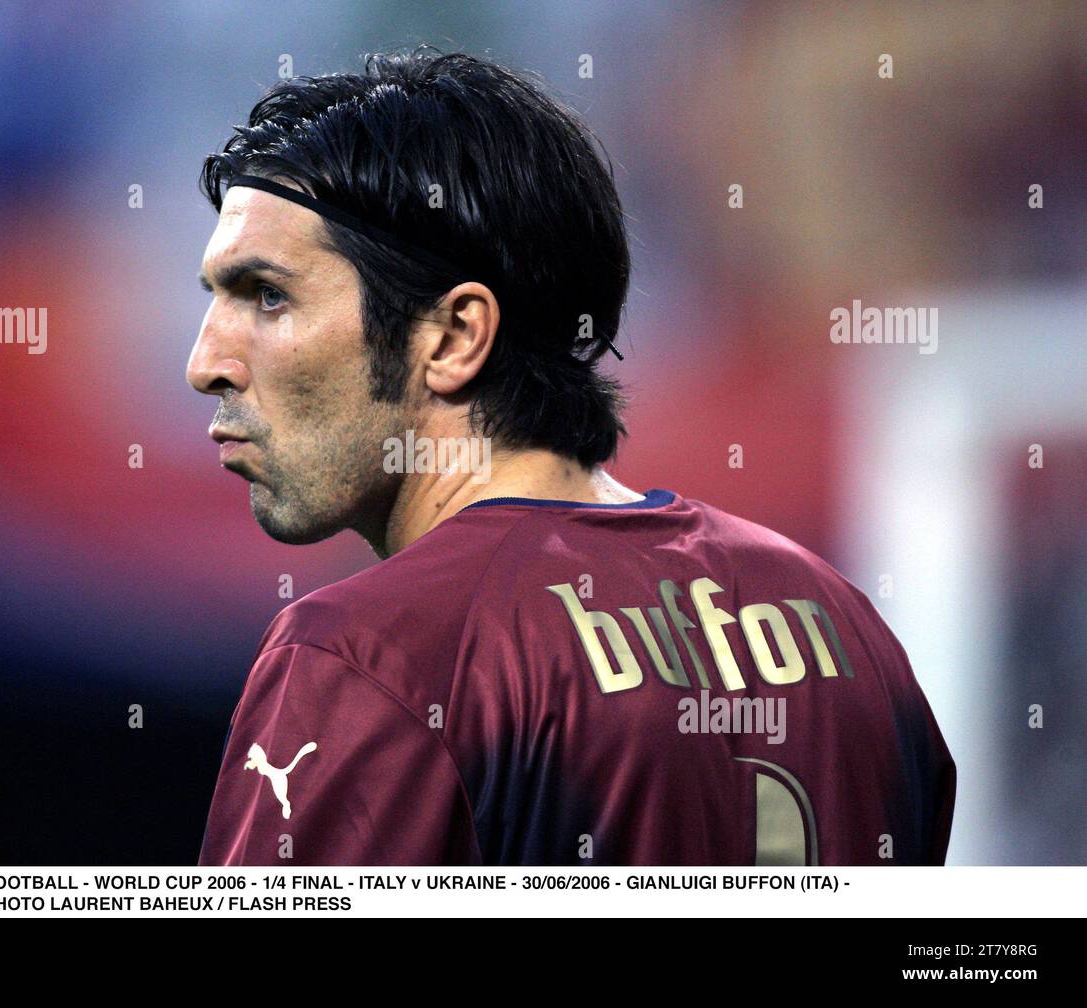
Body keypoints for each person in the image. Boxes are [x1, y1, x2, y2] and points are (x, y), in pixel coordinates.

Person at [188, 49, 955, 865]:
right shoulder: (842, 623)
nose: (205, 364)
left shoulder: (369, 658)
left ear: (452, 337)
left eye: (268, 296)